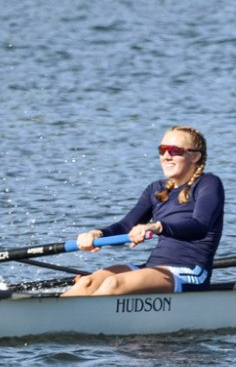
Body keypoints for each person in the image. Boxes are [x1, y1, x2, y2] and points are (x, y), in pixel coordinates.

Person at [65, 127, 224, 297]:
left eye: (175, 151)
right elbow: (125, 226)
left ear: (194, 156)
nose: (166, 156)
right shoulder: (156, 190)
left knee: (114, 283)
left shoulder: (208, 184)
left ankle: (80, 321)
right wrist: (96, 233)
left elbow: (200, 226)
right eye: (162, 150)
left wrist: (157, 227)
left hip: (190, 271)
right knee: (87, 282)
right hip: (153, 268)